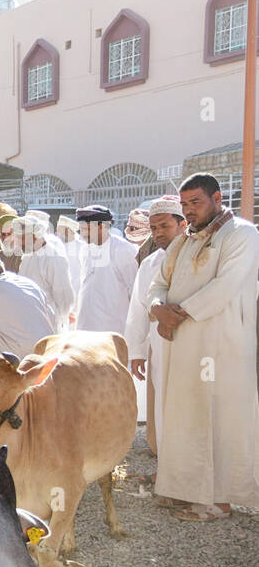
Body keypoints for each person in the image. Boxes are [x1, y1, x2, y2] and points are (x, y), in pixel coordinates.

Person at [147, 173, 259, 521]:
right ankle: (187, 490)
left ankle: (220, 500)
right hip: (182, 345)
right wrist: (157, 308)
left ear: (217, 197)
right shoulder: (184, 241)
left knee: (221, 418)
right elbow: (158, 283)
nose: (190, 210)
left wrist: (175, 314)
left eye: (196, 202)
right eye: (184, 205)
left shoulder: (242, 234)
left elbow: (227, 286)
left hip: (222, 344)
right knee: (186, 416)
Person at [124, 195, 186, 457]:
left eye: (165, 226)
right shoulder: (149, 263)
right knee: (162, 403)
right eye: (154, 228)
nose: (159, 233)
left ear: (182, 225)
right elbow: (138, 309)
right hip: (159, 347)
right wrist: (137, 352)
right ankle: (167, 463)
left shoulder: (198, 256)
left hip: (193, 346)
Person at [74, 205, 138, 333]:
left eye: (85, 229)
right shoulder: (85, 250)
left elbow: (135, 293)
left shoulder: (123, 249)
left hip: (112, 329)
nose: (81, 234)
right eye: (80, 229)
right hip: (85, 326)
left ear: (101, 226)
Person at [17, 215, 75, 331]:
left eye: (21, 238)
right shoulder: (27, 258)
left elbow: (63, 296)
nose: (19, 243)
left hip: (48, 320)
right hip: (27, 319)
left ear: (33, 236)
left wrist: (63, 318)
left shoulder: (54, 258)